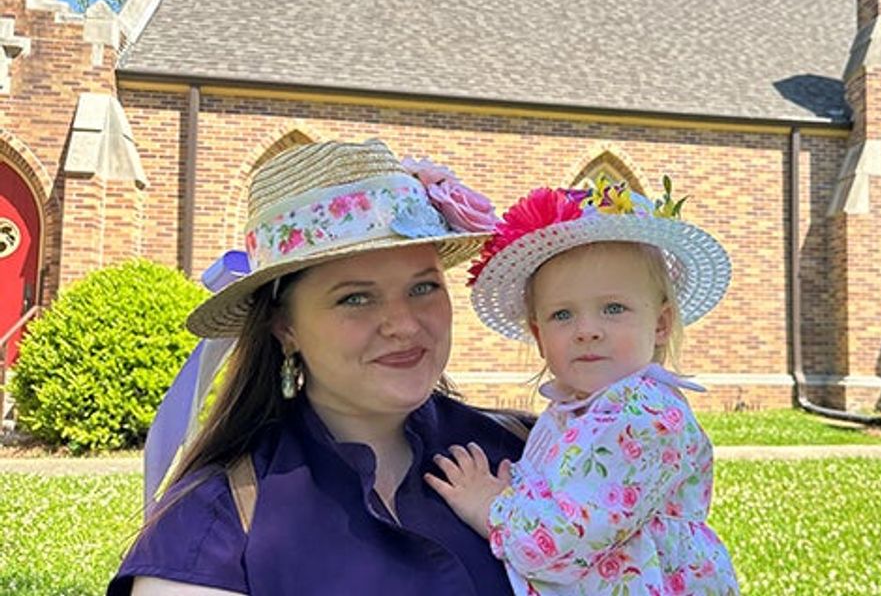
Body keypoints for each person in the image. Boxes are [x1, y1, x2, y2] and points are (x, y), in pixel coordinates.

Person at [108, 139, 529, 596]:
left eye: (423, 287)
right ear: (285, 327)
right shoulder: (215, 524)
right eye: (355, 297)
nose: (405, 325)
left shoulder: (533, 451)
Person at [424, 181, 741, 595]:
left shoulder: (643, 415)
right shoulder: (584, 407)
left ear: (661, 324)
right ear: (539, 335)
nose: (587, 331)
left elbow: (566, 542)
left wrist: (491, 507)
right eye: (562, 315)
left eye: (613, 308)